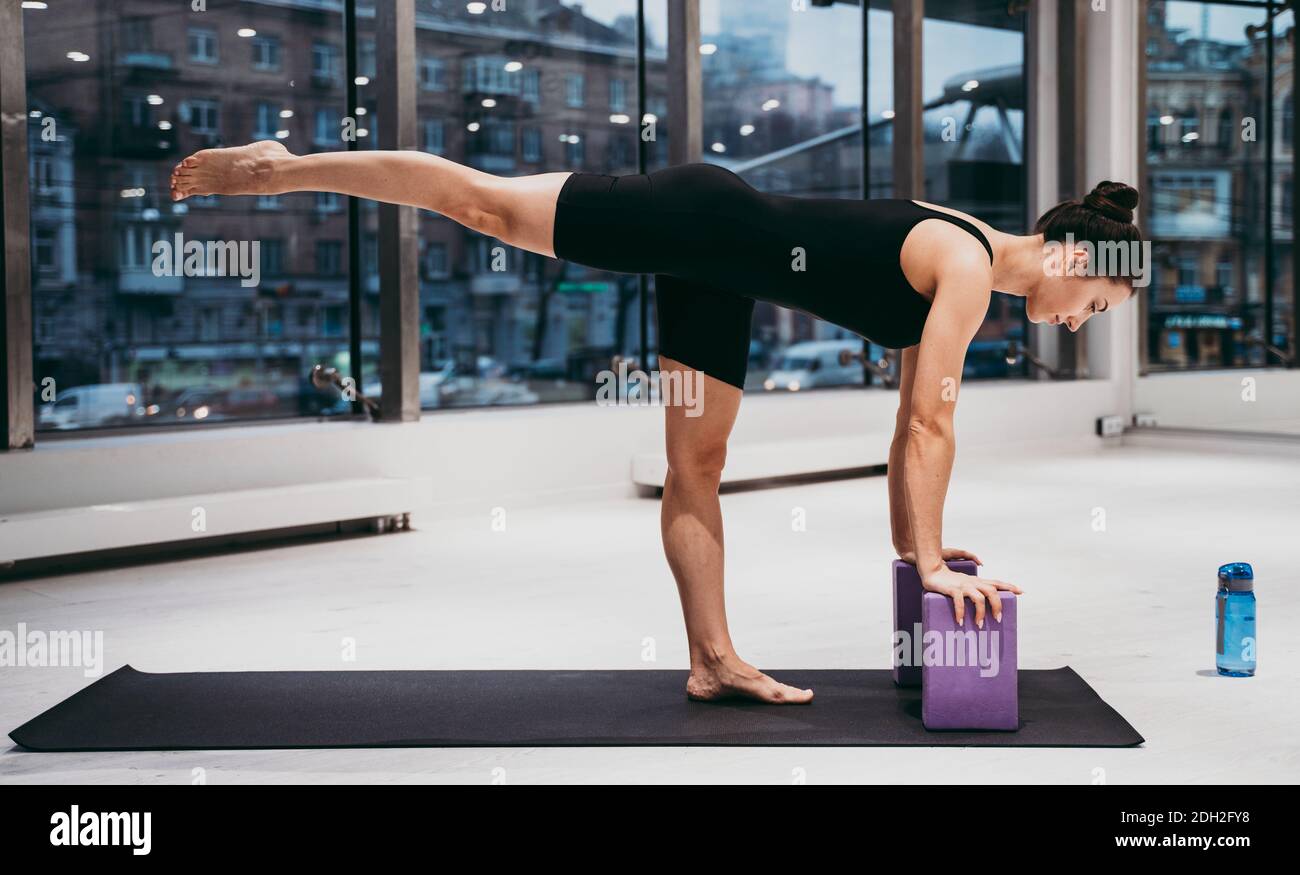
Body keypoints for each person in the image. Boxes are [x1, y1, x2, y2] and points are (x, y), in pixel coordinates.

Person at [170, 141, 1142, 704]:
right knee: (490, 208)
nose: (1081, 319)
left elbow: (909, 424)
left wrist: (916, 552)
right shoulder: (968, 269)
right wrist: (926, 562)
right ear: (1067, 253)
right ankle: (282, 170)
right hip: (701, 219)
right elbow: (932, 427)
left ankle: (710, 658)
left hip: (716, 281)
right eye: (1094, 300)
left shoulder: (964, 258)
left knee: (697, 465)